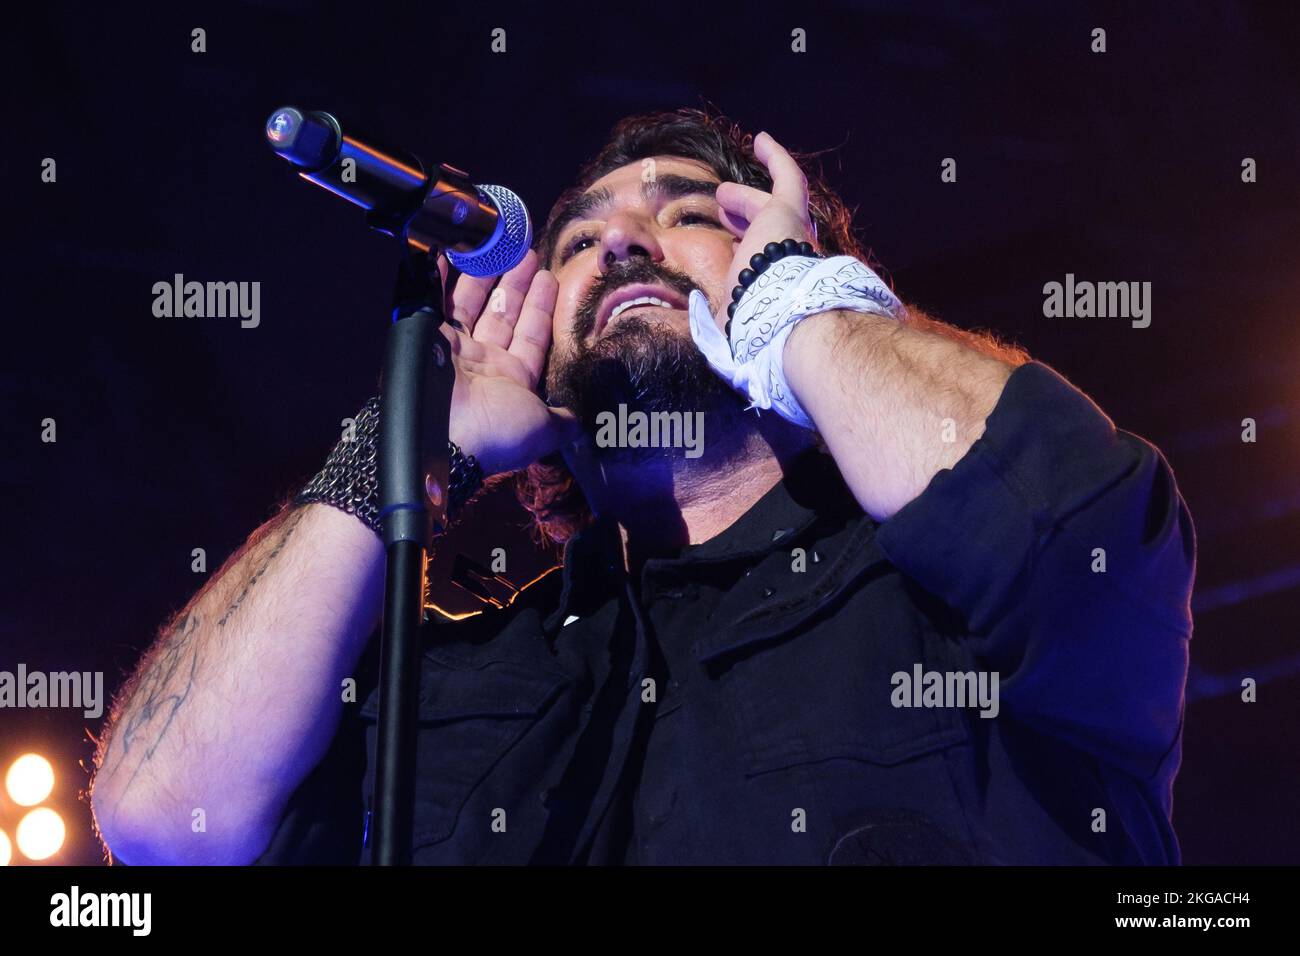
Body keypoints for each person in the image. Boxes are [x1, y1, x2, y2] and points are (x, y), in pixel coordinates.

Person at [90, 108, 1195, 865]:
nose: (621, 239)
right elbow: (160, 814)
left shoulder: (939, 601)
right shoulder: (456, 672)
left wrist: (806, 309)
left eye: (684, 213)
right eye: (578, 237)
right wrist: (408, 443)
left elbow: (1074, 534)